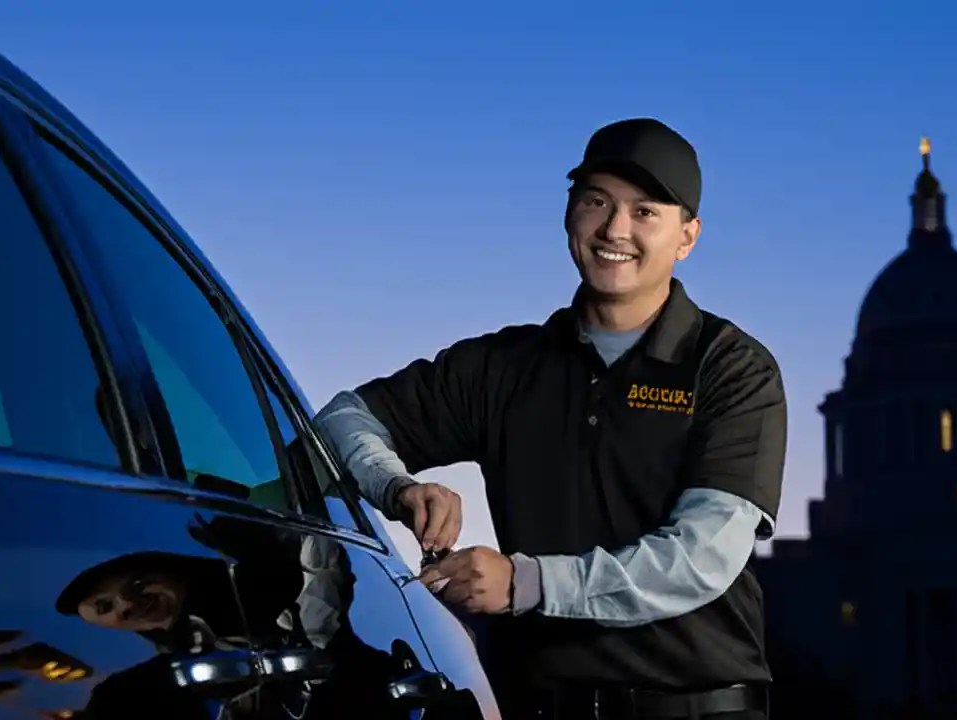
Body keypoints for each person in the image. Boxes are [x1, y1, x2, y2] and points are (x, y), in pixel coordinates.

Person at [315, 117, 786, 719]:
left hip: (699, 710)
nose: (615, 228)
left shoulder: (732, 369)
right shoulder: (504, 367)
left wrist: (524, 582)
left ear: (687, 236)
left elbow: (702, 556)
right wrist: (397, 487)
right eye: (596, 201)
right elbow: (342, 418)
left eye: (645, 212)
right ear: (570, 213)